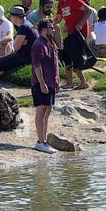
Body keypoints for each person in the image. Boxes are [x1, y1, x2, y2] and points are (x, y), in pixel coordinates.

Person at [29, 19, 61, 152]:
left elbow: (54, 63)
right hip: (41, 83)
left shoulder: (50, 43)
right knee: (41, 111)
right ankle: (40, 142)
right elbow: (37, 66)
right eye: (51, 28)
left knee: (48, 110)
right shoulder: (38, 44)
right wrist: (42, 83)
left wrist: (57, 80)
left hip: (51, 82)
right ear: (44, 30)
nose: (53, 30)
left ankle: (44, 140)